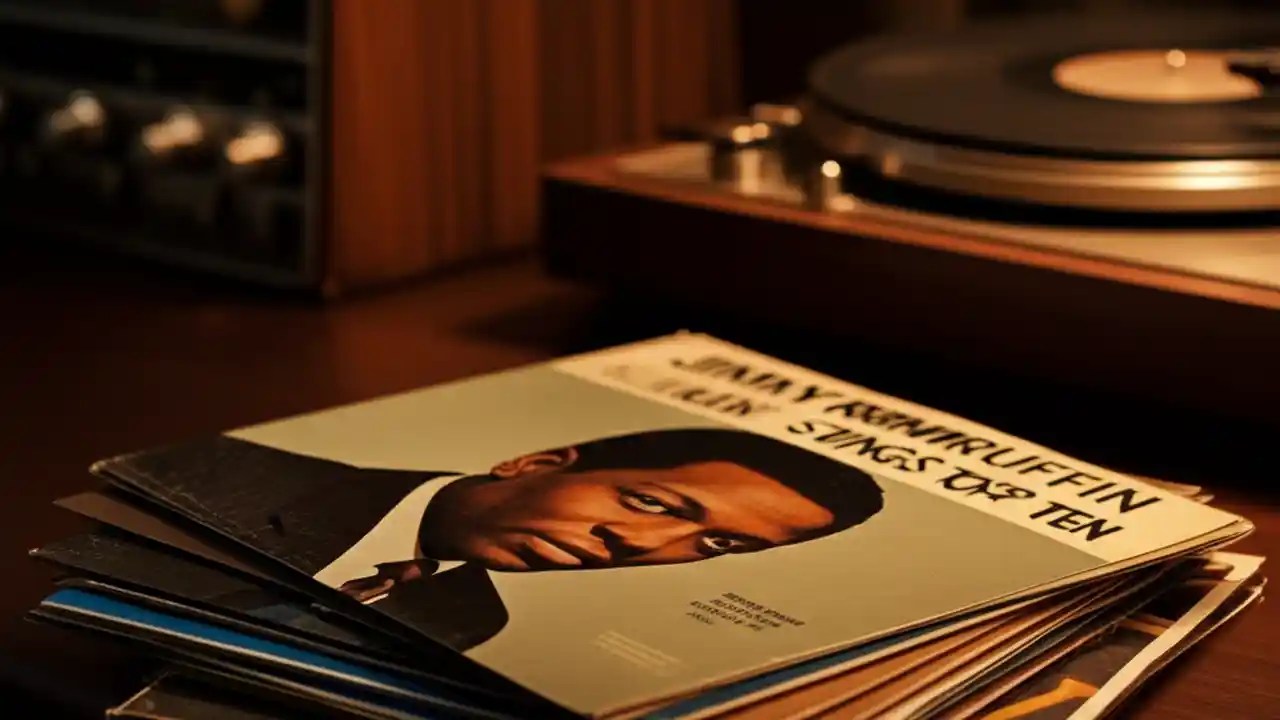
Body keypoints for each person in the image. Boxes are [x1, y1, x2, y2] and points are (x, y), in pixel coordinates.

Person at [111, 428, 884, 650]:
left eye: (719, 548)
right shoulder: (222, 474)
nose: (638, 542)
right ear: (536, 462)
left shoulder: (475, 619)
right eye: (650, 499)